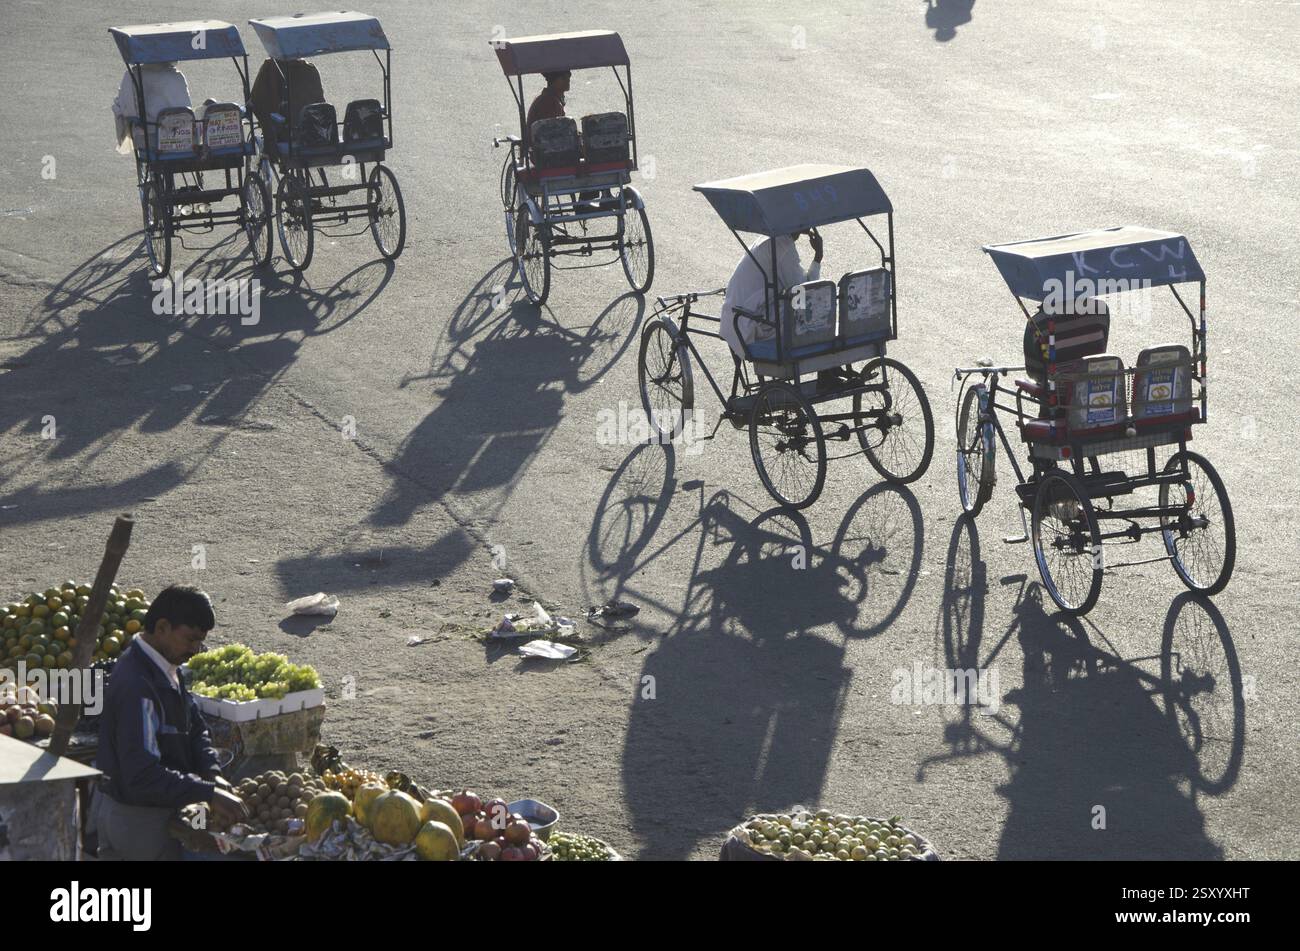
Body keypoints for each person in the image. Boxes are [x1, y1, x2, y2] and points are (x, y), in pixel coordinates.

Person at [91, 585, 247, 860]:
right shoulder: (137, 686)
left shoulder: (165, 665)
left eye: (200, 641)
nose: (196, 650)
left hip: (164, 806)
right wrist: (207, 791)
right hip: (138, 820)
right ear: (162, 627)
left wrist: (212, 773)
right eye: (191, 640)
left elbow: (194, 725)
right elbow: (142, 776)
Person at [720, 229, 824, 361]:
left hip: (740, 317)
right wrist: (818, 256)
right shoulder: (782, 246)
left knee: (808, 307)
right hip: (748, 323)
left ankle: (828, 368)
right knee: (815, 311)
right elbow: (804, 293)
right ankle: (826, 369)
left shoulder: (772, 238)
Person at [112, 62, 192, 156]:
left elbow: (126, 107)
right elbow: (186, 106)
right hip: (182, 138)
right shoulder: (177, 76)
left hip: (148, 138)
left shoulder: (132, 76)